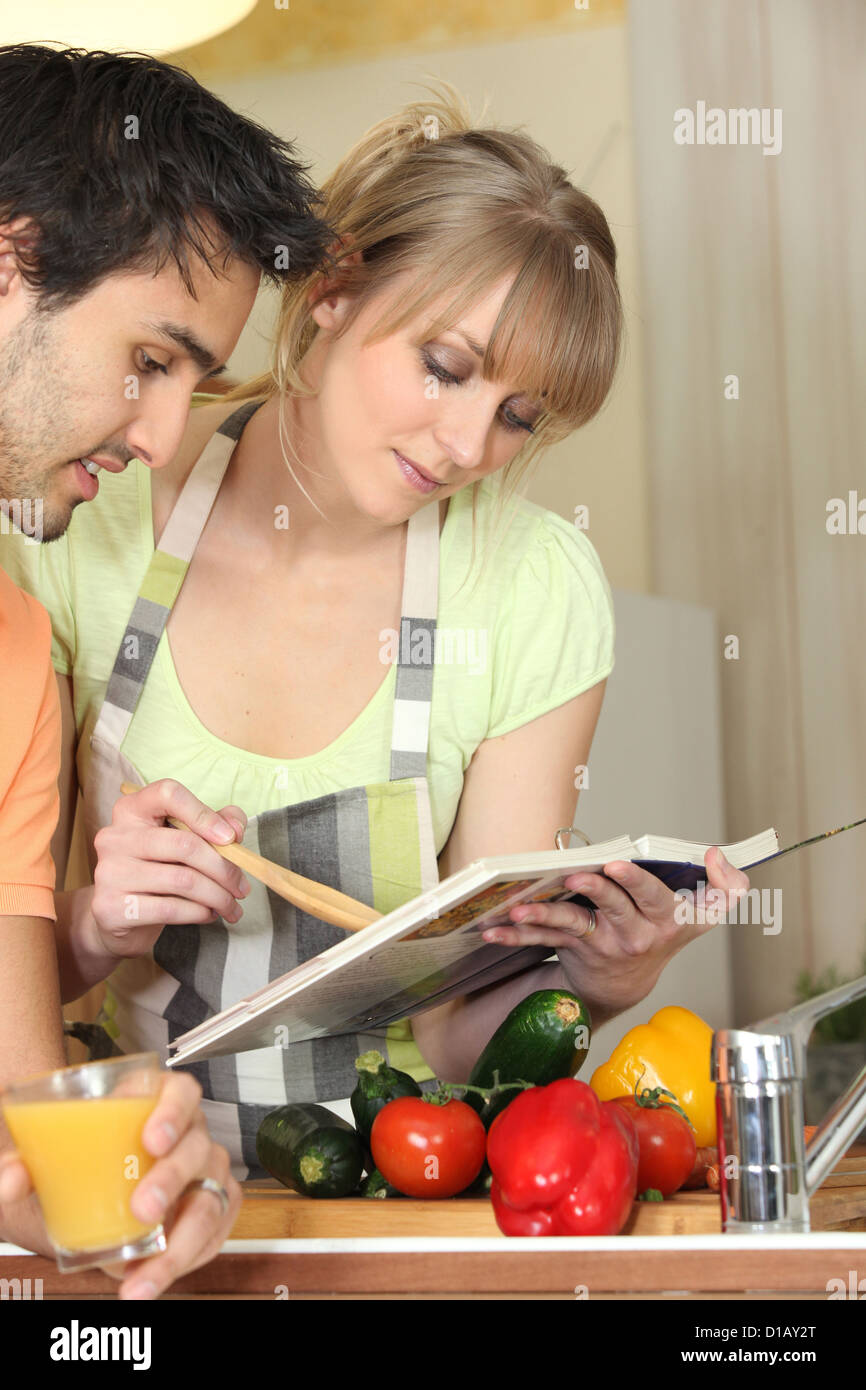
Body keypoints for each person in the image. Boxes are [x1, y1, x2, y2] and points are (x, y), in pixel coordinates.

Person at [1, 83, 750, 1182]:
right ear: (337, 288)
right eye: (445, 368)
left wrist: (598, 981)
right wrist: (100, 920)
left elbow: (455, 1032)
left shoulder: (530, 589)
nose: (463, 443)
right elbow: (21, 991)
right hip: (131, 1169)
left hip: (398, 1181)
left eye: (517, 415)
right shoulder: (83, 504)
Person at [0, 43, 335, 1299]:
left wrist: (148, 1173)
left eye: (193, 383)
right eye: (151, 358)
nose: (157, 437)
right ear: (10, 261)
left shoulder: (18, 660)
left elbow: (17, 1141)